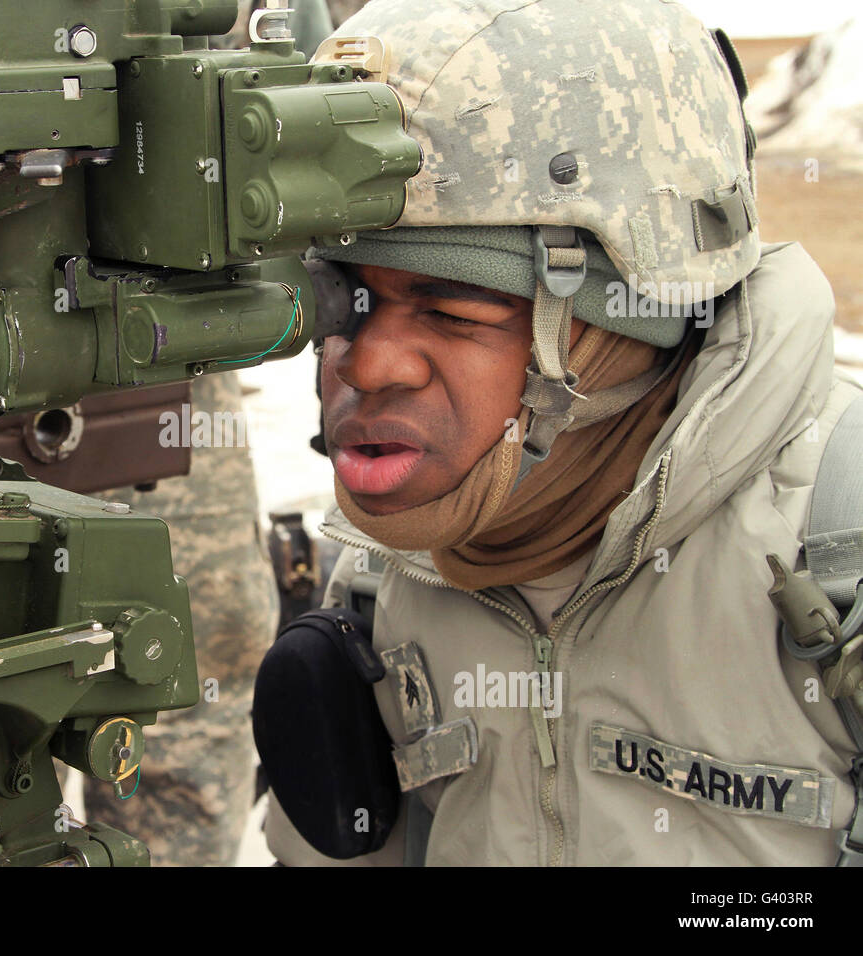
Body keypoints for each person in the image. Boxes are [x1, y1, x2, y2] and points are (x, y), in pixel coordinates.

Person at [262, 0, 861, 865]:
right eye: (345, 300)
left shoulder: (834, 554)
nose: (370, 365)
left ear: (628, 323)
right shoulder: (380, 590)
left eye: (453, 309)